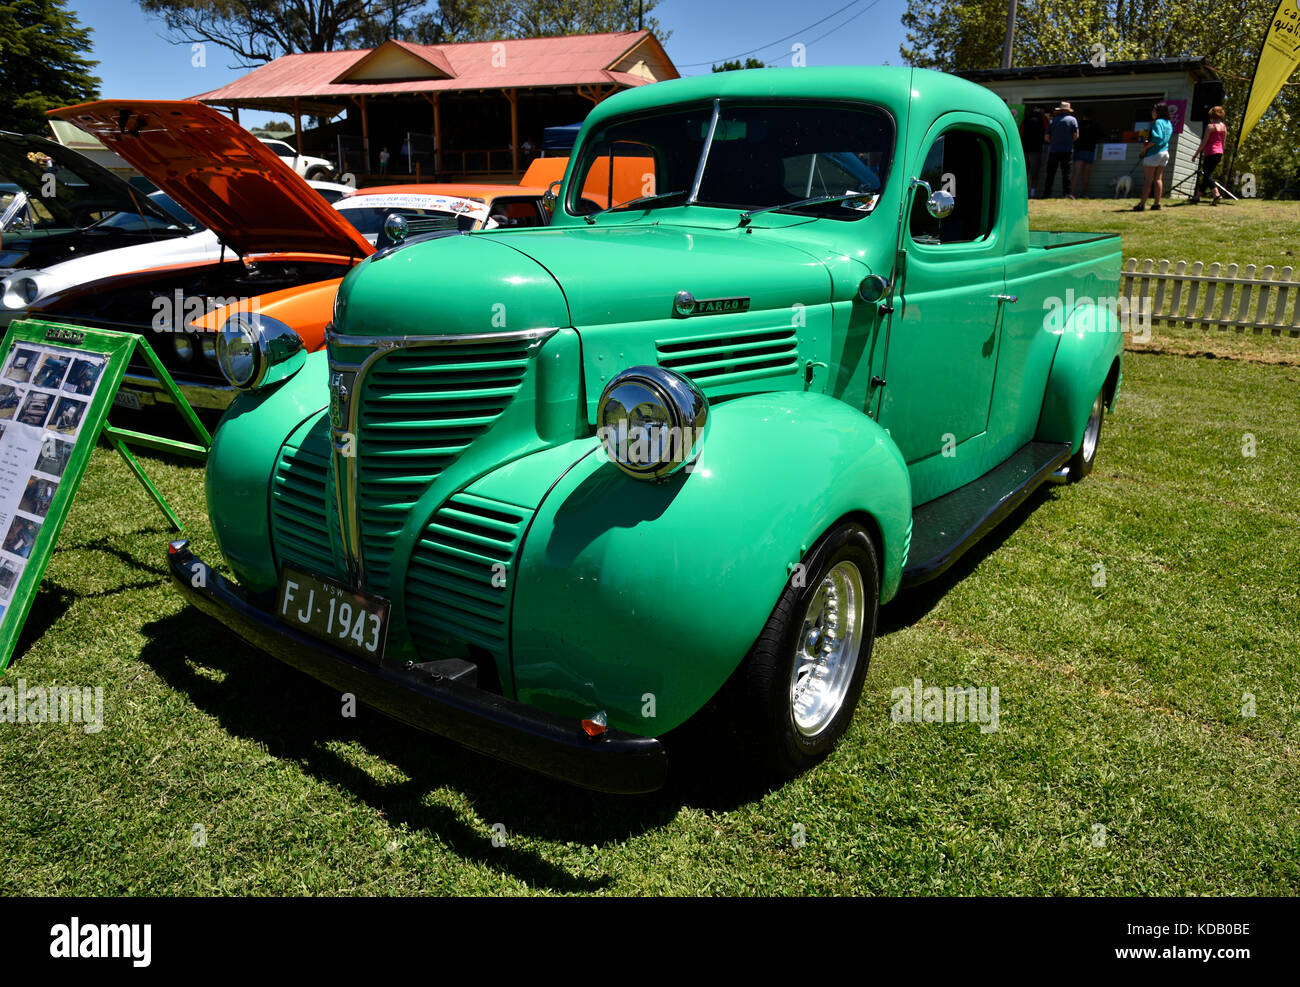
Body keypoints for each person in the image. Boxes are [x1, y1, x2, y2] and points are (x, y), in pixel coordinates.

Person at [1134, 102, 1173, 211]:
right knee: (1158, 179)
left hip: (1154, 153)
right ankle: (1157, 204)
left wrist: (1145, 148)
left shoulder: (1157, 122)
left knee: (1148, 180)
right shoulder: (1168, 123)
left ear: (1158, 112)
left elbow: (1157, 139)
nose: (1152, 112)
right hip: (1165, 152)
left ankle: (1142, 204)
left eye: (1154, 110)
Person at [1190, 105, 1227, 205]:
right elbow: (1223, 143)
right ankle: (1197, 197)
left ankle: (1216, 194)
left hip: (1210, 152)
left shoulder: (1210, 127)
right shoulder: (1224, 127)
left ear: (1211, 116)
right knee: (1207, 175)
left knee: (1207, 175)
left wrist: (1196, 154)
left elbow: (1204, 143)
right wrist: (1221, 156)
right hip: (1219, 153)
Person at [1042, 101, 1079, 198]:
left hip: (1054, 150)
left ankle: (1047, 193)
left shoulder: (1053, 120)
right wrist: (1069, 141)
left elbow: (1046, 137)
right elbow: (1076, 135)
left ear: (1060, 110)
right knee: (1066, 173)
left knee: (1051, 173)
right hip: (1067, 150)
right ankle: (1067, 193)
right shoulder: (1073, 120)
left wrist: (1053, 142)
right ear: (1068, 111)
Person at [1071, 108, 1101, 198]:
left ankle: (1072, 193)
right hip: (1090, 150)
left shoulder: (1078, 125)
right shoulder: (1095, 125)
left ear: (1083, 116)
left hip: (1079, 150)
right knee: (1086, 173)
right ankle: (1084, 194)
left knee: (1076, 173)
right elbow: (1100, 136)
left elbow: (1074, 136)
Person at [1020, 105, 1048, 197]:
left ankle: (1022, 193)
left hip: (1025, 149)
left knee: (1025, 173)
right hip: (1036, 149)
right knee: (1035, 174)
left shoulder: (1025, 120)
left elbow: (1020, 133)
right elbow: (1047, 132)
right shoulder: (1042, 119)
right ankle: (1032, 193)